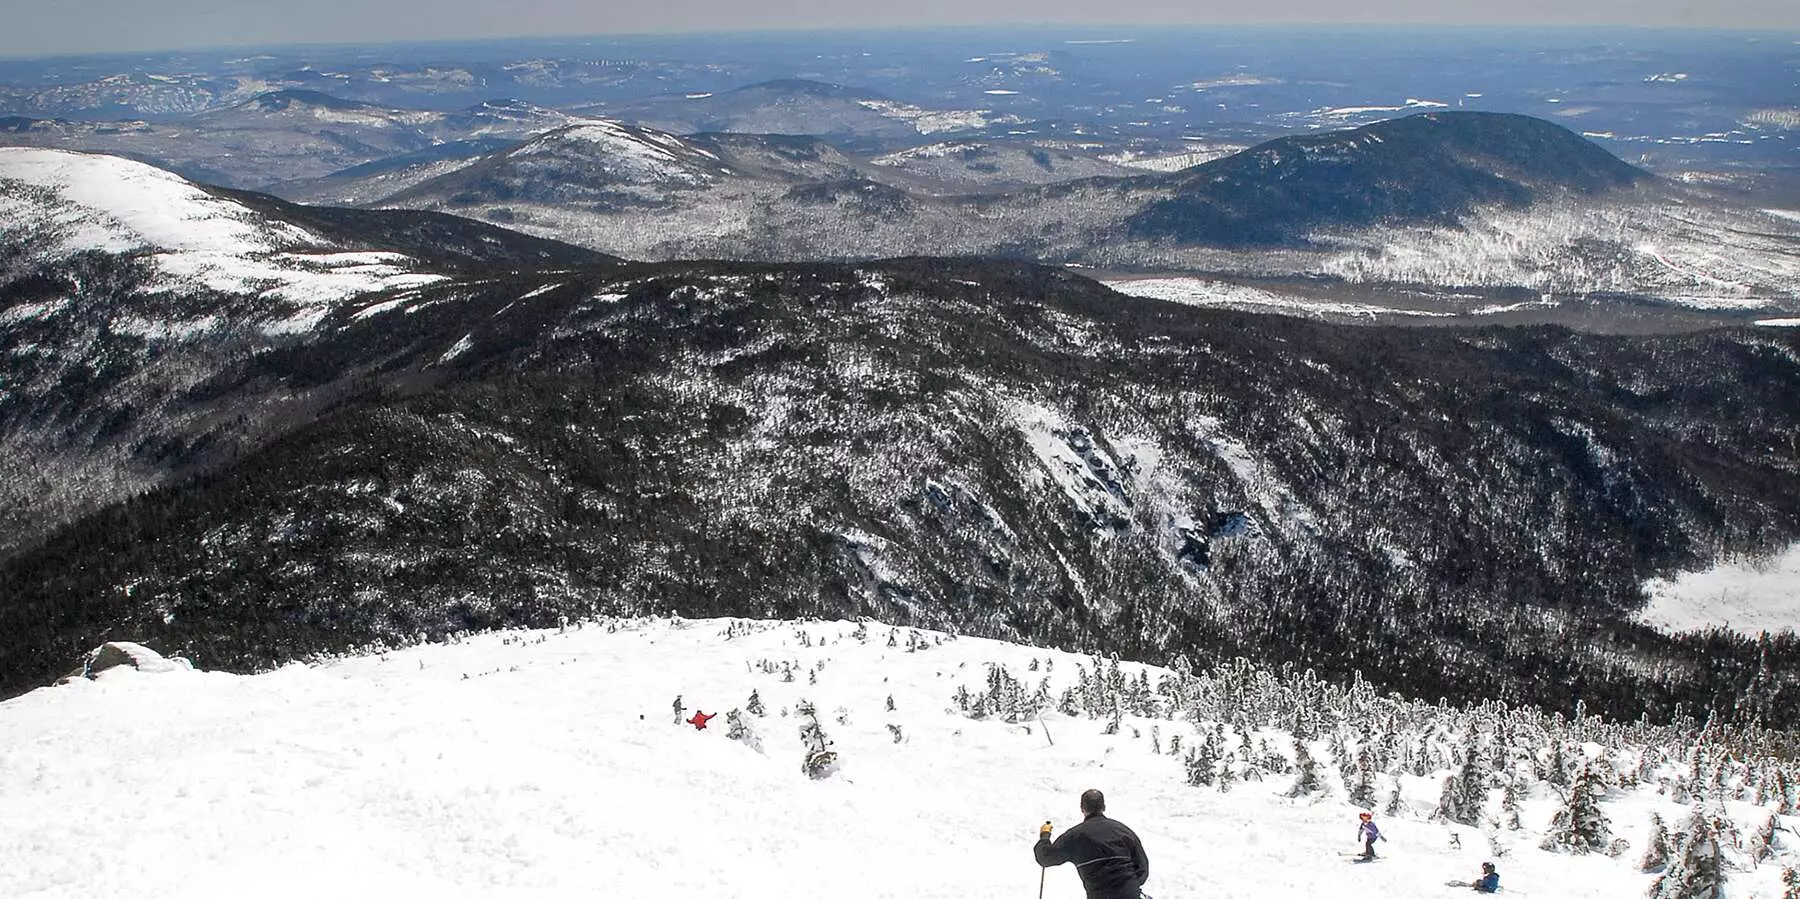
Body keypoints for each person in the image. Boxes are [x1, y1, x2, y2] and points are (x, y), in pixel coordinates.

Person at [1034, 789, 1150, 899]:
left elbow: (1045, 857)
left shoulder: (1075, 836)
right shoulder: (1124, 831)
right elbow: (1142, 868)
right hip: (1130, 895)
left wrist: (1045, 836)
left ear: (1082, 808)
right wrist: (1128, 887)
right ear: (1103, 807)